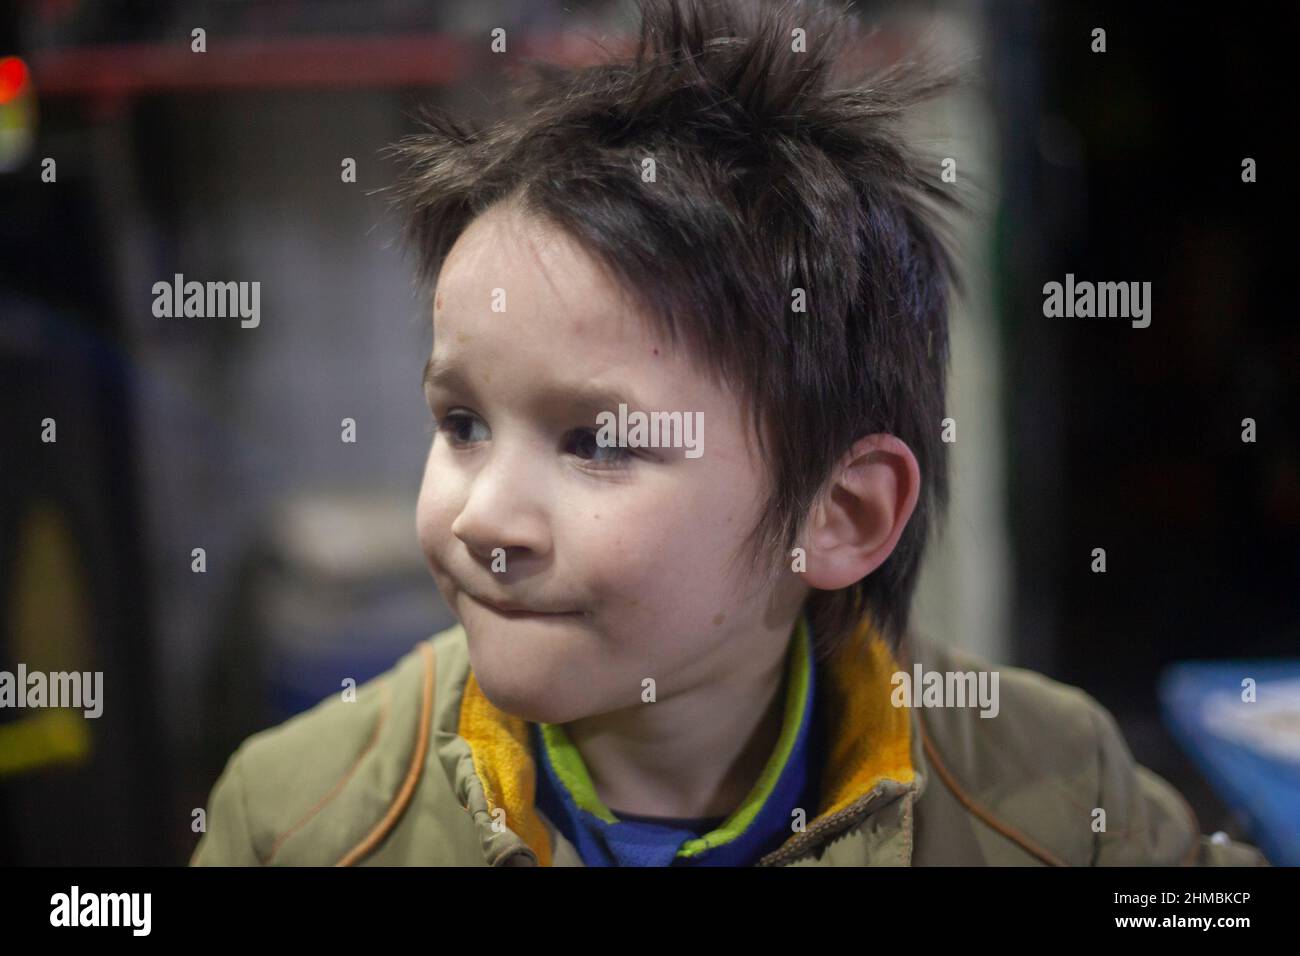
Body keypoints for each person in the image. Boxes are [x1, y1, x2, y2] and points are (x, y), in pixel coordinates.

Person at [191, 0, 1267, 867]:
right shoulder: (299, 816)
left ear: (840, 514)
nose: (481, 515)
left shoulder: (1056, 789)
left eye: (596, 442)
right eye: (461, 422)